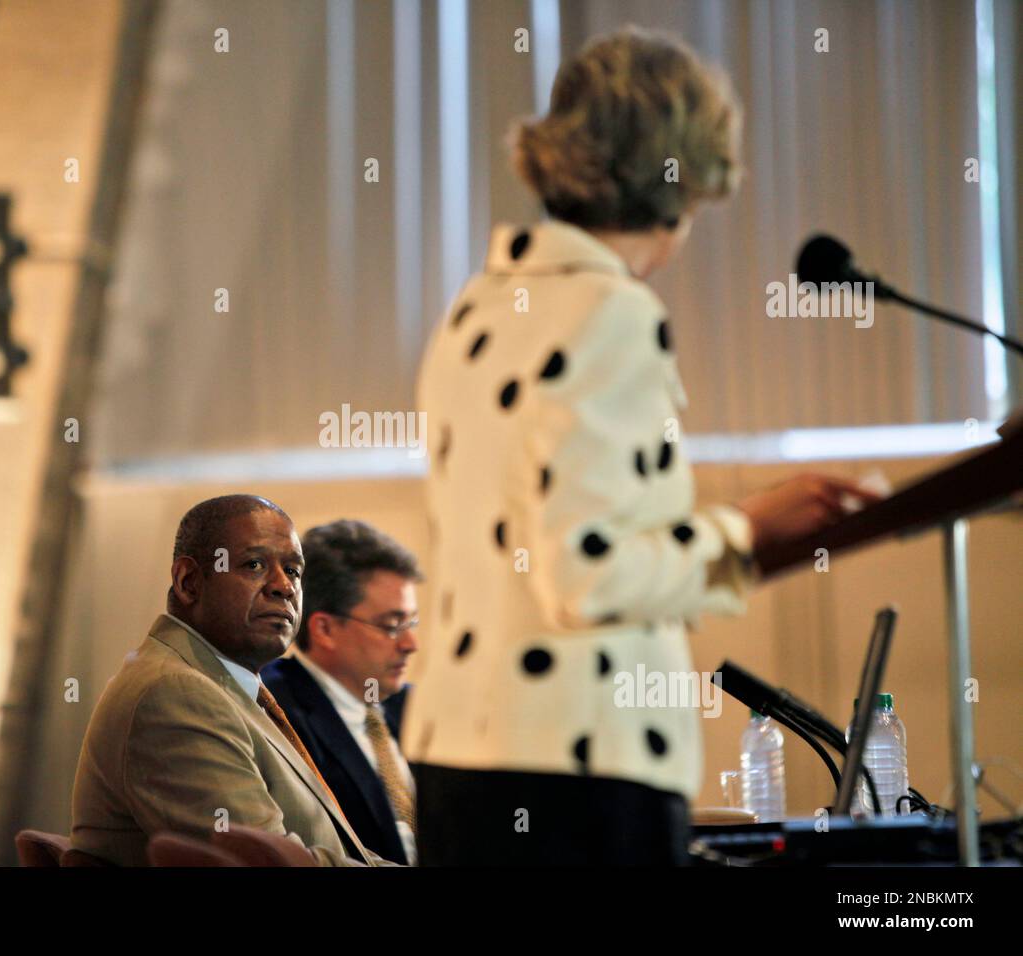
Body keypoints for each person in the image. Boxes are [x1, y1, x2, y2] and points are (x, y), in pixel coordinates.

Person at [403, 27, 880, 865]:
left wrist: (747, 543)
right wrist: (740, 528)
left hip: (459, 762)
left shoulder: (476, 307)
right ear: (686, 178)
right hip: (577, 774)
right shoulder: (609, 312)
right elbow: (588, 577)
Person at [70, 494, 392, 866]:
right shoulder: (176, 693)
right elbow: (269, 860)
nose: (284, 587)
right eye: (254, 564)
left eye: (293, 571)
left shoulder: (214, 684)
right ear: (189, 582)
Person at [262, 519, 422, 865]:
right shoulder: (275, 713)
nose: (411, 644)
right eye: (392, 626)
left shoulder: (415, 707)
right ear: (325, 629)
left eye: (411, 623)